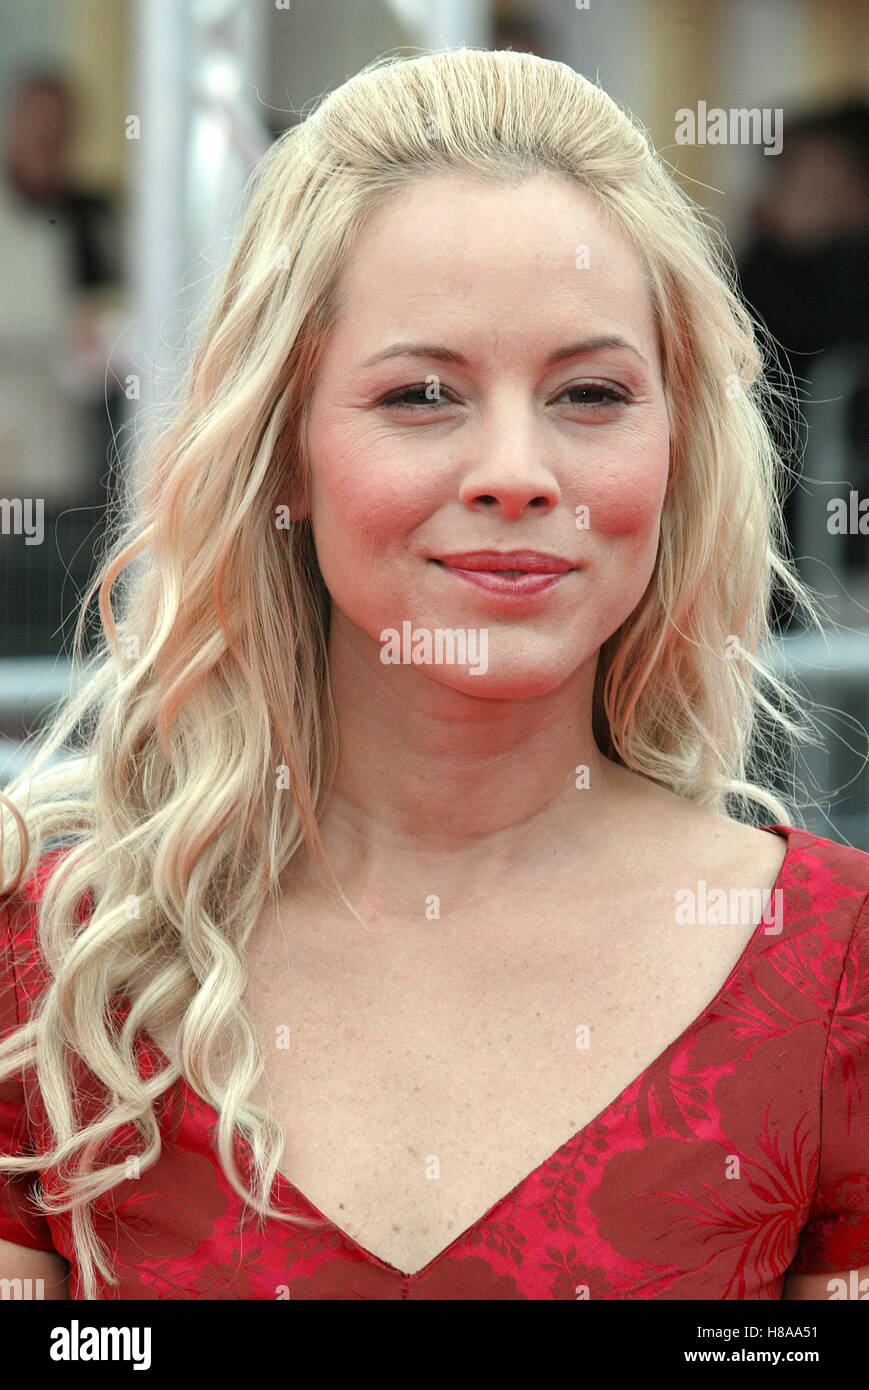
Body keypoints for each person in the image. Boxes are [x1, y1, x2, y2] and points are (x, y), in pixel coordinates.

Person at [1, 48, 867, 1302]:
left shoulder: (831, 964)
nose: (514, 469)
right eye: (421, 394)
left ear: (676, 445)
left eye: (588, 392)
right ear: (284, 449)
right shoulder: (54, 962)